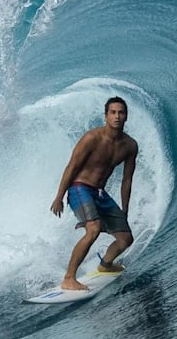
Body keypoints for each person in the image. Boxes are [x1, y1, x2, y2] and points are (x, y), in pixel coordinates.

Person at [50, 96, 138, 291]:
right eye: (113, 112)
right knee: (93, 229)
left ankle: (105, 265)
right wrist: (59, 196)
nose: (117, 116)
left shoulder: (130, 146)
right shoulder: (92, 138)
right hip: (79, 187)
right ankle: (69, 278)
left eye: (121, 113)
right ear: (106, 116)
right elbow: (71, 167)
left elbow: (127, 180)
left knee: (125, 239)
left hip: (99, 193)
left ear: (126, 117)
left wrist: (125, 209)